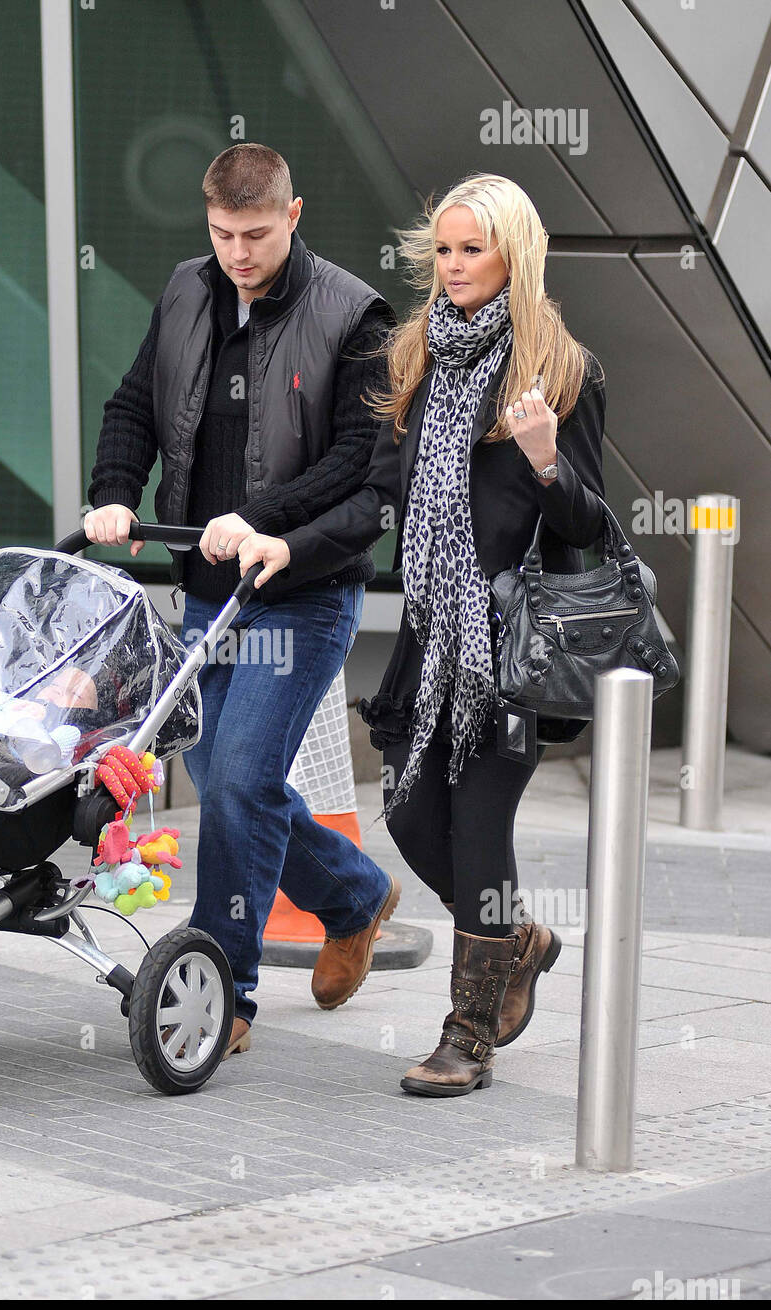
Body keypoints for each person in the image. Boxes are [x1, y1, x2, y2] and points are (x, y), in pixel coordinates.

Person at [83, 143, 401, 1052]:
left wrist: (258, 517)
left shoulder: (354, 316)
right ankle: (353, 895)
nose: (238, 253)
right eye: (222, 234)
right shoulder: (187, 290)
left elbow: (355, 462)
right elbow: (134, 407)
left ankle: (226, 990)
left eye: (255, 233)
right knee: (225, 780)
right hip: (206, 590)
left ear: (292, 216)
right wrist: (115, 489)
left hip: (299, 591)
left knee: (241, 783)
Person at [352, 172, 606, 1098]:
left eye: (473, 250)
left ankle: (468, 1035)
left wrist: (543, 459)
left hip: (511, 645)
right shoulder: (415, 353)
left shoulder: (563, 370)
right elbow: (385, 481)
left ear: (513, 254)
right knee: (413, 818)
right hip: (429, 633)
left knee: (479, 829)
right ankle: (519, 942)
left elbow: (586, 527)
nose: (454, 267)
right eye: (445, 251)